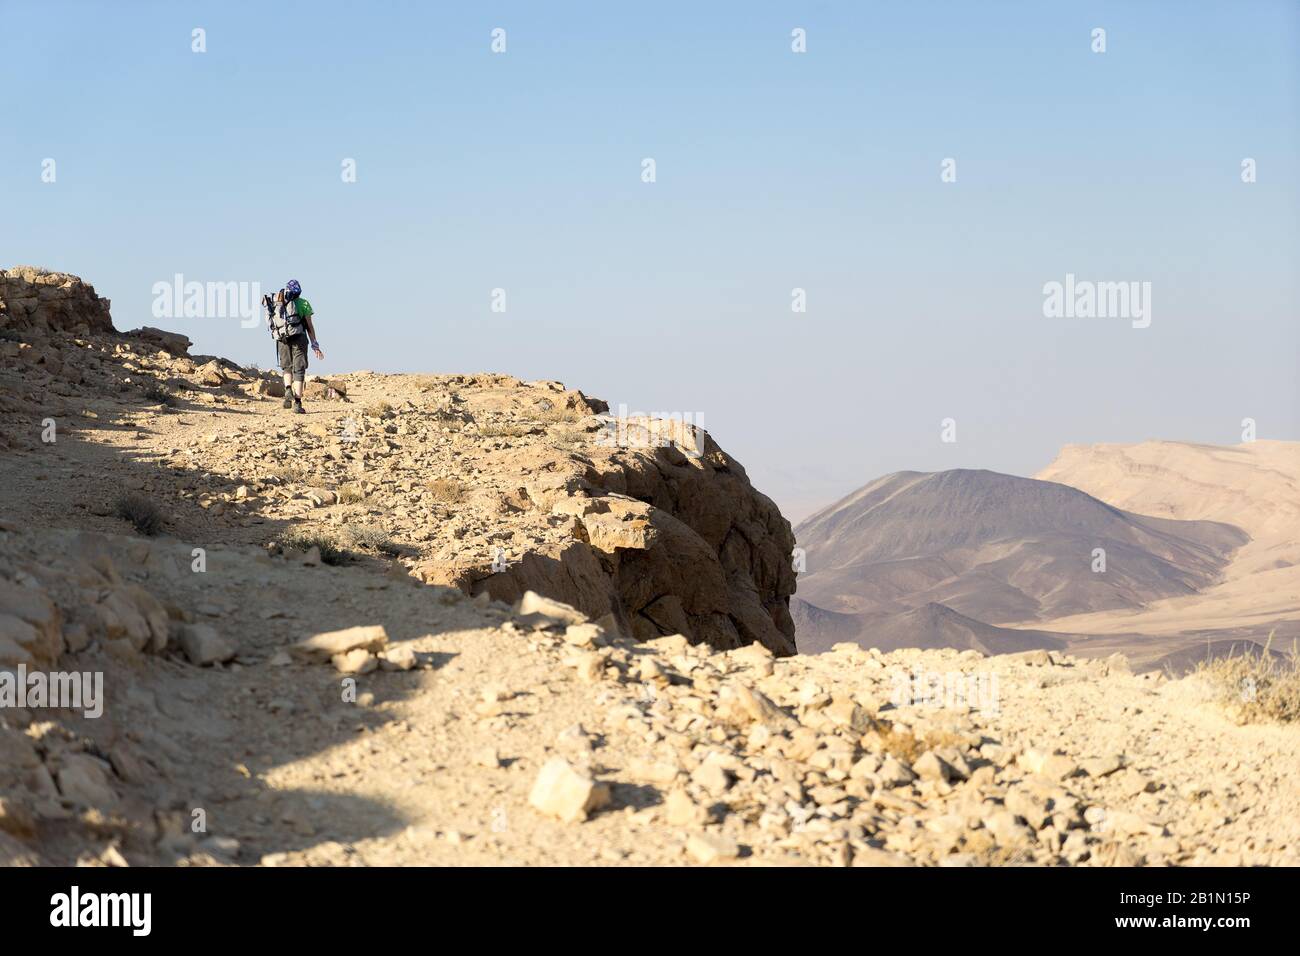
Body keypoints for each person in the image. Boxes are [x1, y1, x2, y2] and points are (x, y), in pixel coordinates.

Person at [263, 279, 324, 413]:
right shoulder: (303, 303)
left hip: (282, 337)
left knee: (286, 367)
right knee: (299, 370)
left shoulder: (278, 303)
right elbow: (309, 326)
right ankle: (297, 403)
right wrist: (315, 345)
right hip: (299, 338)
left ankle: (288, 390)